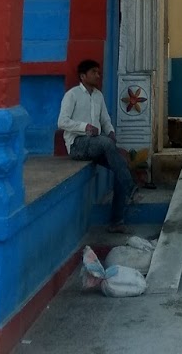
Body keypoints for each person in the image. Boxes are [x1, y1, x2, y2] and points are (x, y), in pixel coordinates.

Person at [57, 58, 136, 232]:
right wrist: (84, 127)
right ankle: (130, 184)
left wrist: (111, 132)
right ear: (83, 76)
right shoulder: (72, 95)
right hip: (78, 144)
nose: (97, 75)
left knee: (121, 166)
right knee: (108, 147)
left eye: (98, 72)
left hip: (97, 144)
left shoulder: (98, 96)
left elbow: (105, 119)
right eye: (94, 72)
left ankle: (116, 222)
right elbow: (62, 122)